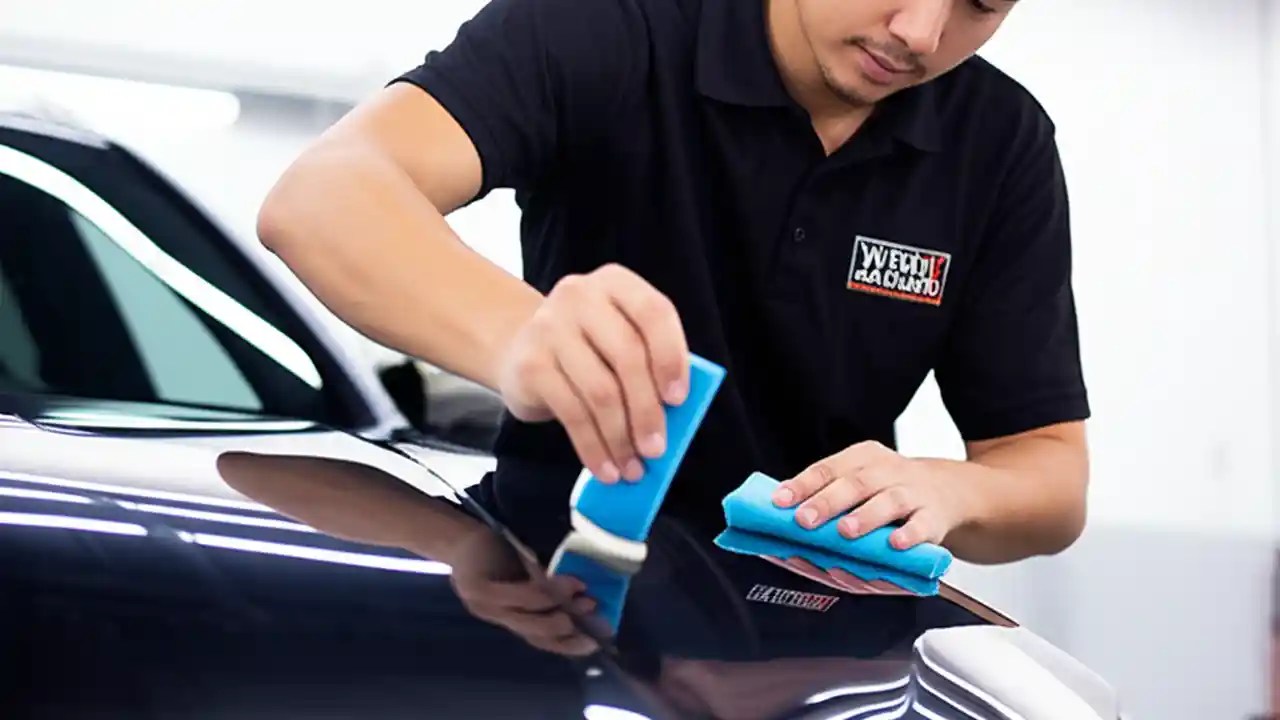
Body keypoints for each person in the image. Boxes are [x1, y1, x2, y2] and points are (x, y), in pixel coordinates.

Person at [256, 0, 1091, 564]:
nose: (919, 31)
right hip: (558, 579)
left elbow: (1051, 479)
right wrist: (519, 335)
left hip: (819, 626)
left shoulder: (1000, 145)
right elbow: (323, 198)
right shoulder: (611, 26)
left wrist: (954, 490)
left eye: (981, 2)